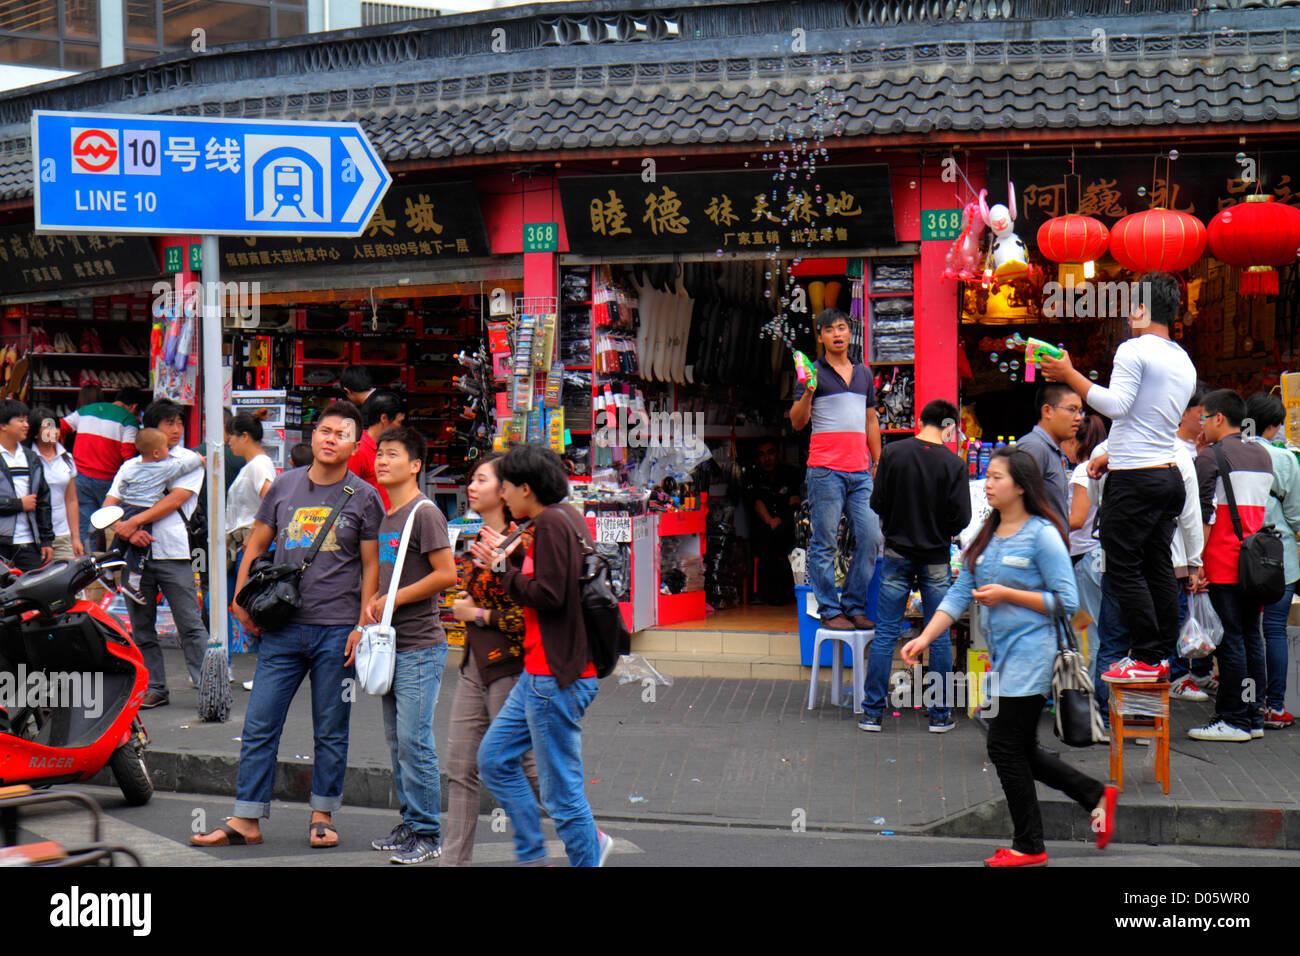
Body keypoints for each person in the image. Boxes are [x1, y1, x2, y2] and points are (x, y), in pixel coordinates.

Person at [902, 448, 1115, 866]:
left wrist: (1008, 595)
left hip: (1035, 657)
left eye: (997, 477)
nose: (988, 483)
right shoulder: (987, 532)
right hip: (1005, 659)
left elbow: (1067, 601)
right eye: (989, 477)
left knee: (1002, 746)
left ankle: (1030, 845)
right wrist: (925, 637)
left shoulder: (1042, 535)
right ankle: (1094, 795)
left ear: (1020, 485)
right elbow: (961, 591)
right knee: (1020, 748)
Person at [192, 401, 383, 849]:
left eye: (342, 433)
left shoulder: (365, 496)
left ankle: (322, 814)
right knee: (260, 722)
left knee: (331, 727)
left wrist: (361, 625)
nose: (331, 438)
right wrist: (241, 602)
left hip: (337, 631)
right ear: (312, 436)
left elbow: (371, 567)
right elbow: (256, 545)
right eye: (325, 430)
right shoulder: (283, 485)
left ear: (355, 444)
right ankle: (247, 818)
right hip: (281, 629)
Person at [1042, 271, 1196, 683]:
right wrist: (1112, 454)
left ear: (1144, 308)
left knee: (1124, 565)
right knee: (1157, 563)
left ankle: (1145, 654)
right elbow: (1151, 421)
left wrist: (1068, 374)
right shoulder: (1182, 358)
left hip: (1137, 481)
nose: (1128, 314)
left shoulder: (1133, 349)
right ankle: (1160, 655)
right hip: (1166, 475)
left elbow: (1116, 405)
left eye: (1132, 305)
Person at [471, 444, 613, 867]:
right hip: (540, 672)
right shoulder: (561, 517)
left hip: (556, 675)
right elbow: (556, 571)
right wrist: (512, 554)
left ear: (526, 488)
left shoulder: (550, 523)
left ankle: (587, 854)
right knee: (494, 759)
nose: (503, 496)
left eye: (507, 487)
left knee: (560, 791)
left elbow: (550, 594)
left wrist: (502, 570)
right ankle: (535, 852)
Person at [358, 426, 457, 864]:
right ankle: (411, 823)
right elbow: (380, 573)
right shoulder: (388, 513)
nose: (382, 461)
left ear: (415, 464)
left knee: (415, 741)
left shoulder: (424, 512)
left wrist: (393, 598)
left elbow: (446, 574)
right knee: (398, 742)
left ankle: (429, 833)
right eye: (379, 454)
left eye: (392, 454)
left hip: (420, 645)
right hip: (391, 644)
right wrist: (366, 615)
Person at [443, 453, 540, 867]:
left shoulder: (522, 546)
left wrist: (476, 614)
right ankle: (453, 862)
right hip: (474, 665)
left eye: (481, 479)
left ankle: (584, 834)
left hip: (511, 668)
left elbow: (531, 615)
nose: (472, 486)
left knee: (529, 770)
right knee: (460, 768)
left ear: (504, 491)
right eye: (471, 478)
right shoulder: (479, 538)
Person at [860, 399, 971, 734]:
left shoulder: (893, 454)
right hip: (936, 556)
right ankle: (939, 715)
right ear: (949, 426)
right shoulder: (954, 464)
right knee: (937, 634)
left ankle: (872, 714)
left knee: (886, 633)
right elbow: (962, 518)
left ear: (920, 420)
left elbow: (876, 502)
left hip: (896, 553)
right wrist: (941, 529)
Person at [1088, 427, 1203, 725]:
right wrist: (1194, 561)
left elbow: (1096, 497)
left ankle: (1108, 716)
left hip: (1121, 564)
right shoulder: (1177, 453)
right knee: (1157, 652)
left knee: (1115, 642)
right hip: (1167, 563)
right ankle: (1145, 717)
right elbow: (1189, 512)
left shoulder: (1107, 449)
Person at [104, 400, 209, 708]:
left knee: (190, 623)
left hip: (173, 552)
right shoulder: (130, 466)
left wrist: (132, 521)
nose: (176, 429)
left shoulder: (188, 460)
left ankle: (208, 689)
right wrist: (127, 531)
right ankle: (155, 687)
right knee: (142, 626)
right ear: (151, 429)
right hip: (137, 556)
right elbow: (110, 503)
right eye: (168, 424)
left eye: (179, 423)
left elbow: (176, 500)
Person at [1187, 390, 1273, 742]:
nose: (1201, 424)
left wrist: (1196, 563)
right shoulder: (1262, 454)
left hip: (1222, 561)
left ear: (1218, 418)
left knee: (1231, 641)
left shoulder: (1211, 456)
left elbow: (1201, 515)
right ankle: (1253, 715)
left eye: (1204, 418)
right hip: (1257, 565)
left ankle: (1232, 719)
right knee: (1252, 638)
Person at [790, 308, 883, 631]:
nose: (837, 334)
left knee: (871, 536)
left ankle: (854, 605)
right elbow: (797, 422)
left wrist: (878, 461)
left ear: (849, 332)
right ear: (820, 337)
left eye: (842, 327)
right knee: (825, 542)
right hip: (825, 470)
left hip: (860, 471)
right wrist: (810, 390)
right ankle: (830, 610)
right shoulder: (812, 372)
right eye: (829, 330)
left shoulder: (864, 374)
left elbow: (871, 420)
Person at [1244, 392, 1298, 730]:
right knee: (1274, 631)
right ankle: (1274, 707)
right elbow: (1296, 515)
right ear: (1275, 426)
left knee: (1245, 633)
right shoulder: (1285, 460)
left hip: (1242, 558)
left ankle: (1247, 704)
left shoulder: (1229, 454)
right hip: (1280, 559)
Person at [108, 428, 205, 602]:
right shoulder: (163, 467)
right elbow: (182, 468)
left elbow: (118, 492)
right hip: (143, 510)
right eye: (166, 448)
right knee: (142, 545)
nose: (169, 451)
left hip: (127, 506)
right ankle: (133, 582)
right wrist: (200, 460)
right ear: (156, 453)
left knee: (121, 539)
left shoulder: (130, 467)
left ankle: (106, 569)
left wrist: (128, 524)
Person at [1168, 384, 1216, 697]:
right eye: (1201, 415)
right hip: (1175, 548)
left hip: (1194, 548)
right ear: (1184, 413)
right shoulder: (1170, 450)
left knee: (1193, 611)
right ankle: (1177, 675)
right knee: (1175, 611)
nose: (1205, 422)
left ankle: (1197, 671)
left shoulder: (1200, 452)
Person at [60, 386, 148, 546]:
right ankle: (113, 564)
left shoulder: (86, 410)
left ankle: (86, 564)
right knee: (119, 525)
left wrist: (60, 454)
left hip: (80, 478)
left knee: (86, 529)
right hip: (109, 481)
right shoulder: (129, 419)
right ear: (134, 407)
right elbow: (128, 455)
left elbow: (59, 427)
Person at [226, 412, 277, 674]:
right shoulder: (254, 464)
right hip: (244, 543)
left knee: (255, 606)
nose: (229, 442)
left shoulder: (259, 464)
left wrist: (255, 531)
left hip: (252, 545)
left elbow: (270, 498)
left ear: (244, 436)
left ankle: (266, 670)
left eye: (232, 436)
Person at [1066, 415, 1109, 668]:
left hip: (1086, 557)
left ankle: (1088, 697)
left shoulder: (1084, 470)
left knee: (1085, 630)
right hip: (1096, 556)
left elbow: (1077, 519)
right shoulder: (1098, 467)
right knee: (1091, 627)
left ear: (1075, 440)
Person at [743, 437, 801, 605]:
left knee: (791, 542)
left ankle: (792, 594)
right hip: (764, 528)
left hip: (786, 525)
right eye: (762, 455)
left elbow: (795, 500)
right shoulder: (753, 476)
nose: (766, 458)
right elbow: (756, 502)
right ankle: (773, 596)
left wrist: (782, 520)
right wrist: (770, 520)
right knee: (768, 544)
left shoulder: (790, 473)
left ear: (778, 454)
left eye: (770, 453)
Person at [1015, 383, 1083, 527]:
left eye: (1080, 412)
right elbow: (1016, 503)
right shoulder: (1034, 447)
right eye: (1072, 410)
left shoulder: (1051, 449)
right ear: (1047, 411)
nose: (1078, 418)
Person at [0, 399, 54, 571]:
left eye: (27, 420)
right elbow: (25, 503)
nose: (26, 425)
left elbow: (43, 501)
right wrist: (18, 505)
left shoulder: (31, 458)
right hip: (2, 543)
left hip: (29, 542)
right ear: (3, 425)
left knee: (36, 592)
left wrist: (46, 540)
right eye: (20, 420)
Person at [26, 407, 81, 561]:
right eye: (48, 428)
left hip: (62, 533)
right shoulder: (25, 459)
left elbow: (71, 500)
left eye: (56, 426)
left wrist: (75, 537)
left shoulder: (67, 458)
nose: (55, 432)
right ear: (35, 433)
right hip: (34, 535)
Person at [349, 388, 406, 508]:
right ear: (384, 419)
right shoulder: (359, 450)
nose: (400, 428)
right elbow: (347, 494)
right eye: (399, 422)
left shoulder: (391, 447)